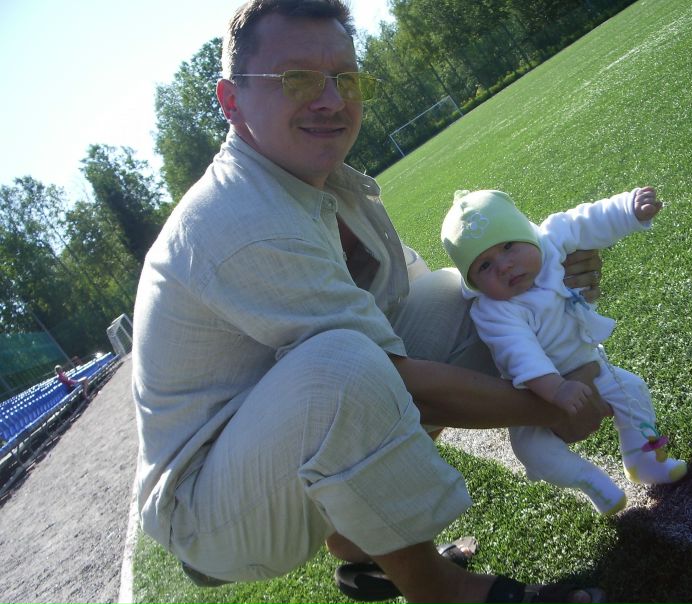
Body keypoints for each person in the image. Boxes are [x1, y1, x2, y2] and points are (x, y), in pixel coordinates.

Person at [131, 2, 610, 602]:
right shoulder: (238, 218)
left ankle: (361, 545)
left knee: (457, 302)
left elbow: (420, 303)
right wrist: (555, 406)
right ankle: (446, 593)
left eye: (346, 78)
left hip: (279, 437)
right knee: (347, 364)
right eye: (298, 79)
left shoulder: (326, 184)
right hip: (210, 509)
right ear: (231, 101)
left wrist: (545, 276)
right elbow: (392, 377)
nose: (332, 100)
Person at [441, 187, 687, 516]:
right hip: (533, 395)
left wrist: (630, 208)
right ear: (472, 282)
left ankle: (642, 460)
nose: (504, 266)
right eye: (484, 265)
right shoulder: (492, 310)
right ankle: (588, 481)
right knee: (531, 449)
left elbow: (588, 219)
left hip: (589, 366)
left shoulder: (552, 241)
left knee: (633, 391)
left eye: (509, 246)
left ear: (525, 233)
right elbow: (520, 353)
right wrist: (556, 389)